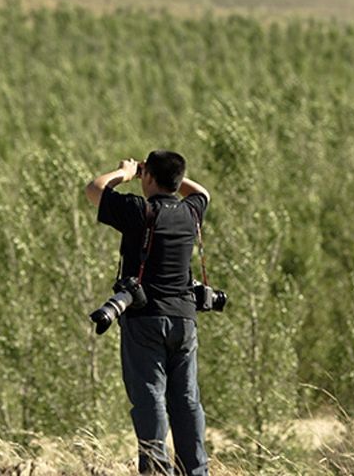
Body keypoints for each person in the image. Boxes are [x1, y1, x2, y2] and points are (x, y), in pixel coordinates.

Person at [85, 150, 211, 476]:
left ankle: (157, 471)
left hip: (145, 319)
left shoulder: (139, 211)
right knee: (186, 400)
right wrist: (172, 178)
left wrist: (125, 174)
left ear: (149, 178)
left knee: (150, 399)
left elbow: (93, 189)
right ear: (178, 180)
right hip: (185, 319)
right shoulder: (190, 212)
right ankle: (196, 471)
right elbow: (202, 194)